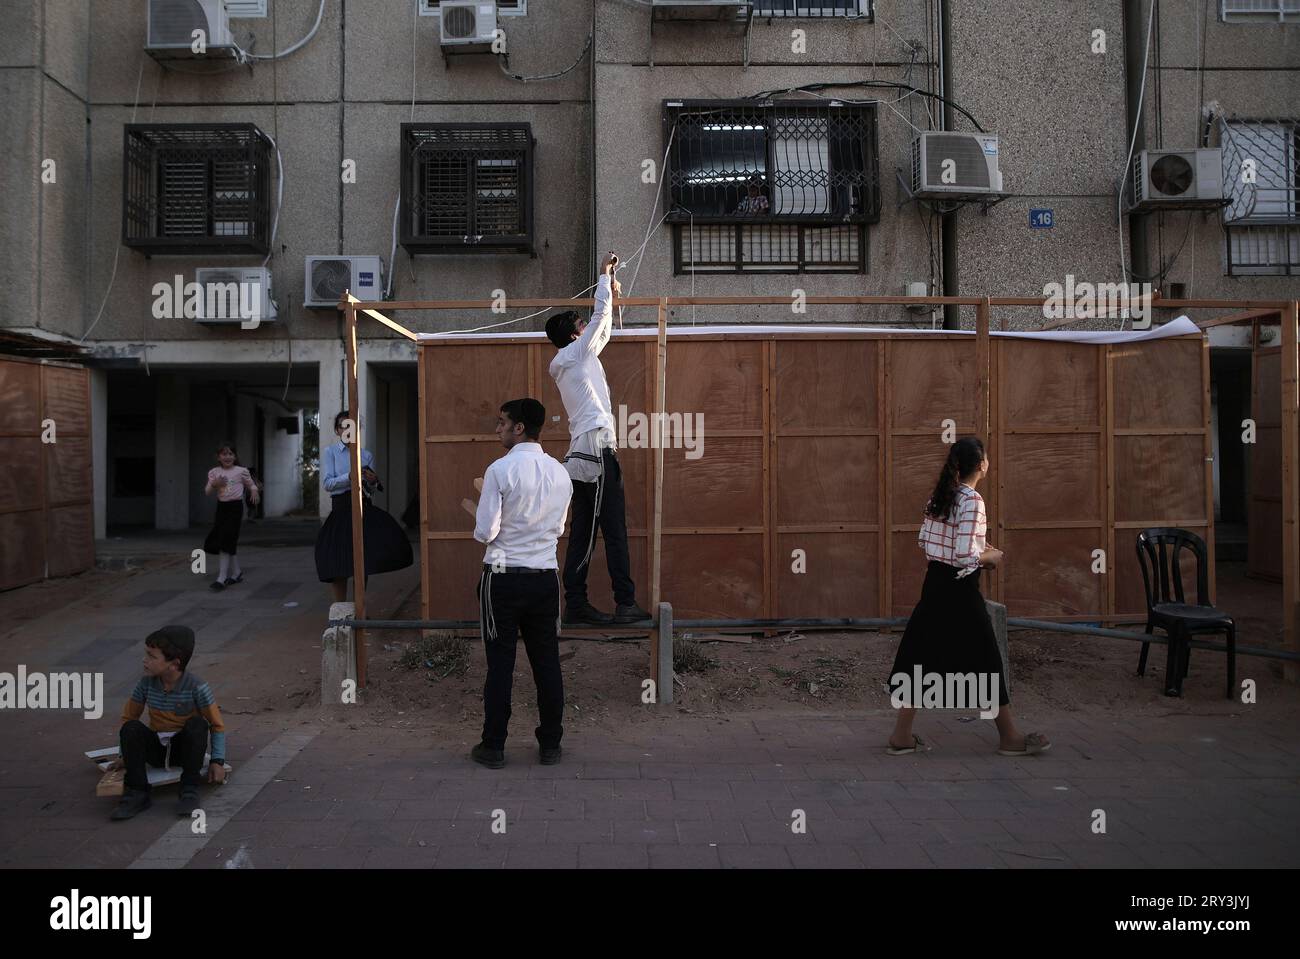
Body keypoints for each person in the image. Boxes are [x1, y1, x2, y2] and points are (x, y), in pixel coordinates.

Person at [886, 437, 1051, 757]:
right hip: (961, 589)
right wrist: (989, 557)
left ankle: (901, 735)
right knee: (987, 657)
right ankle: (1010, 738)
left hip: (934, 584)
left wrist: (976, 548)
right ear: (983, 465)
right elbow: (964, 555)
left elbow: (925, 540)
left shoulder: (940, 495)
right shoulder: (973, 500)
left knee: (922, 654)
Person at [545, 253, 651, 626]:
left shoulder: (576, 358)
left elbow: (602, 328)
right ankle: (624, 602)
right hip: (596, 449)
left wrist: (612, 287)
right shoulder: (574, 354)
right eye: (580, 324)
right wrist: (604, 276)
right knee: (612, 529)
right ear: (574, 334)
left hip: (585, 452)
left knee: (586, 531)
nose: (585, 325)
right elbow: (600, 320)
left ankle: (577, 603)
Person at [470, 398, 573, 768]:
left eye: (502, 422)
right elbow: (559, 529)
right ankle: (550, 744)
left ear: (518, 428)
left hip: (502, 579)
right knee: (547, 662)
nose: (497, 428)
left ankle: (494, 745)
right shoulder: (561, 473)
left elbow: (486, 532)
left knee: (500, 664)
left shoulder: (499, 470)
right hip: (544, 577)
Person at [110, 625, 226, 820]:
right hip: (157, 750)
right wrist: (124, 755)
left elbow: (217, 725)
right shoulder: (145, 684)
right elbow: (129, 718)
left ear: (174, 664)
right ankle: (137, 793)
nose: (144, 660)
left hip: (184, 752)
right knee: (131, 728)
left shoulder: (197, 687)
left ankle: (189, 790)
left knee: (198, 724)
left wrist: (217, 761)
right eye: (146, 654)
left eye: (152, 656)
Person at [315, 410, 414, 602]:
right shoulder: (331, 452)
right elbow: (328, 484)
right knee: (337, 560)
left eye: (353, 426)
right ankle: (341, 609)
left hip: (363, 506)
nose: (349, 431)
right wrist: (350, 477)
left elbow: (370, 489)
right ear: (337, 430)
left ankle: (359, 607)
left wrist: (373, 481)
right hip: (341, 508)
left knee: (363, 559)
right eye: (344, 427)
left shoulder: (365, 455)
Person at [203, 443, 259, 590]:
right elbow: (207, 491)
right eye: (224, 454)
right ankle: (237, 572)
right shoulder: (214, 472)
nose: (227, 457)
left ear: (235, 456)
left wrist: (254, 491)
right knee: (227, 540)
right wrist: (215, 483)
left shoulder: (242, 471)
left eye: (230, 454)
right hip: (222, 508)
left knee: (226, 539)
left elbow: (251, 485)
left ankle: (221, 579)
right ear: (218, 457)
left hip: (235, 508)